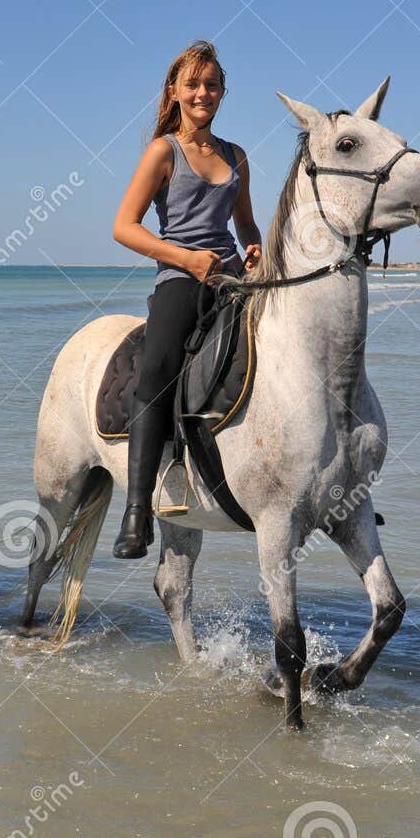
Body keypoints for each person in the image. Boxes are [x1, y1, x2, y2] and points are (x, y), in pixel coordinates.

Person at [107, 40, 262, 558]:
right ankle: (135, 513)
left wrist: (254, 246)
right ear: (174, 92)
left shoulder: (236, 155)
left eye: (212, 84)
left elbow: (244, 224)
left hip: (231, 280)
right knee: (156, 373)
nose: (203, 93)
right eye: (193, 84)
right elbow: (124, 228)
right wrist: (185, 258)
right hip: (180, 281)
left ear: (223, 92)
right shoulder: (162, 152)